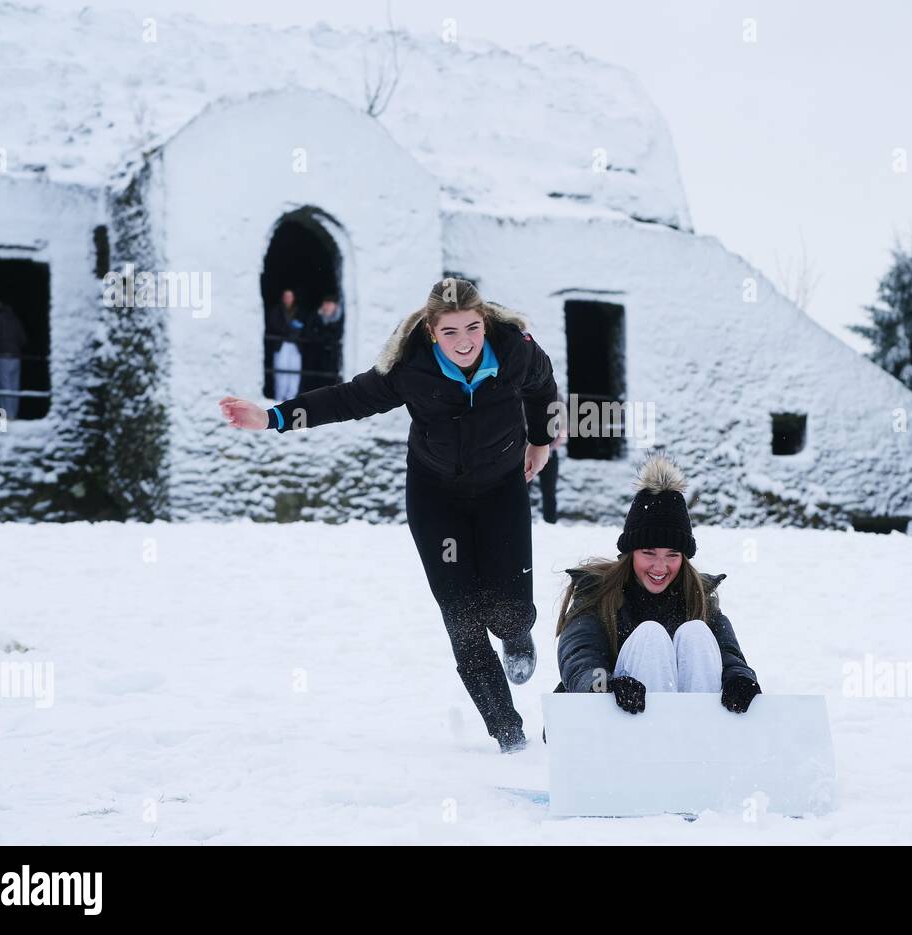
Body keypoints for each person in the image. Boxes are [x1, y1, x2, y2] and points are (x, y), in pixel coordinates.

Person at [219, 278, 558, 753]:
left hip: (501, 489)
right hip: (435, 496)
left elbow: (543, 386)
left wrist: (541, 440)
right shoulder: (411, 367)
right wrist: (273, 417)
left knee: (510, 609)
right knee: (460, 615)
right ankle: (507, 733)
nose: (464, 342)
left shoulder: (516, 349)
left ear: (486, 321)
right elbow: (348, 399)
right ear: (430, 332)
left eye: (473, 328)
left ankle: (517, 635)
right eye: (450, 332)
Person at [551, 453, 761, 731]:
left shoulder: (698, 594)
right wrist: (604, 684)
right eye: (649, 553)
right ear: (630, 553)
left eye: (672, 554)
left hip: (692, 730)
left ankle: (704, 742)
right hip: (615, 723)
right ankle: (652, 744)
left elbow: (727, 653)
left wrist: (739, 678)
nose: (660, 567)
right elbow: (580, 654)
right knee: (651, 635)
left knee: (696, 633)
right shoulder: (597, 590)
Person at [0, 300, 27, 419]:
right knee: (14, 387)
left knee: (3, 387)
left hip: (3, 357)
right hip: (16, 357)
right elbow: (24, 340)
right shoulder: (16, 320)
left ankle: (5, 416)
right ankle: (13, 415)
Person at [265, 288, 305, 400]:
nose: (288, 299)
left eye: (290, 296)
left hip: (295, 345)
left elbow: (303, 326)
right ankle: (279, 399)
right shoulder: (276, 310)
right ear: (282, 298)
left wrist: (293, 331)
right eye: (286, 296)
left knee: (294, 374)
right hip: (281, 345)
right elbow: (274, 326)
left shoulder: (299, 311)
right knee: (280, 374)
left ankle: (291, 399)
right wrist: (290, 330)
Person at [537, 387, 566, 523]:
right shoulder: (523, 392)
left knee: (549, 490)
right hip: (525, 452)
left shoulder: (558, 397)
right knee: (523, 489)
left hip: (550, 452)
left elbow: (564, 429)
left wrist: (551, 448)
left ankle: (550, 523)